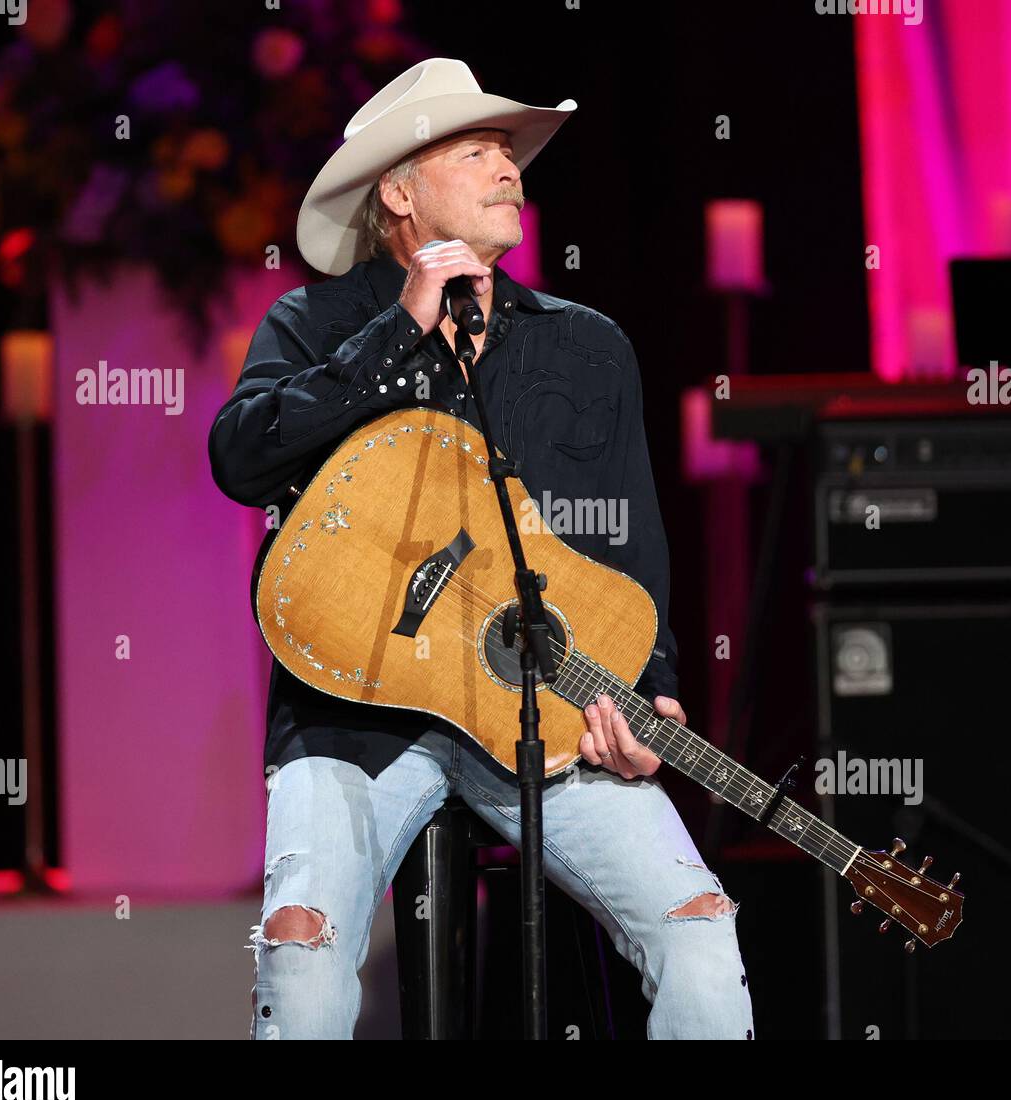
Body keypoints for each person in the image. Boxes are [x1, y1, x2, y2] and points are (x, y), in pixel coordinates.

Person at [207, 57, 755, 1039]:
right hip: (351, 715)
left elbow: (626, 539)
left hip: (543, 703)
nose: (508, 167)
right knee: (299, 949)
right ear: (400, 192)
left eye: (509, 149)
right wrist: (397, 332)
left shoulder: (588, 345)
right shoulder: (314, 322)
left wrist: (655, 684)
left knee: (701, 933)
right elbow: (240, 456)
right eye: (477, 149)